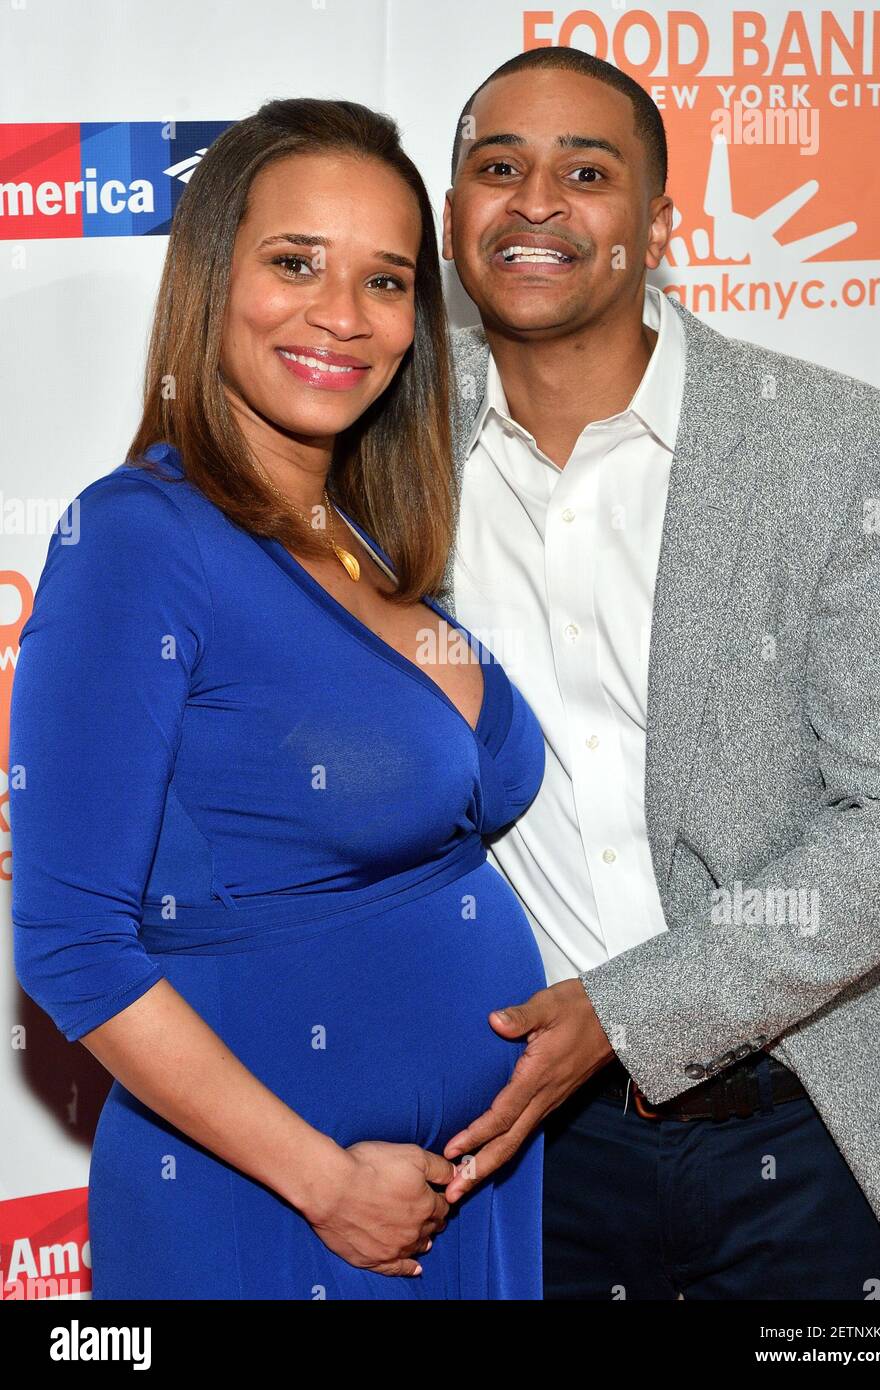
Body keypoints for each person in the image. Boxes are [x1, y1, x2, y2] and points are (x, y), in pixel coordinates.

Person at [10, 97, 548, 1300]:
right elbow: (69, 944)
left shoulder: (354, 535)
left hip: (469, 1194)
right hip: (279, 1214)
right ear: (212, 279)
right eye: (295, 262)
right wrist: (323, 1181)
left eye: (387, 280)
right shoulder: (137, 540)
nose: (342, 317)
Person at [435, 46, 880, 1298]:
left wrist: (628, 1010)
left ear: (661, 223)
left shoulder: (842, 448)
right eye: (499, 167)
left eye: (585, 171)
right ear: (453, 217)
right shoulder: (376, 446)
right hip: (509, 1148)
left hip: (798, 1131)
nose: (536, 201)